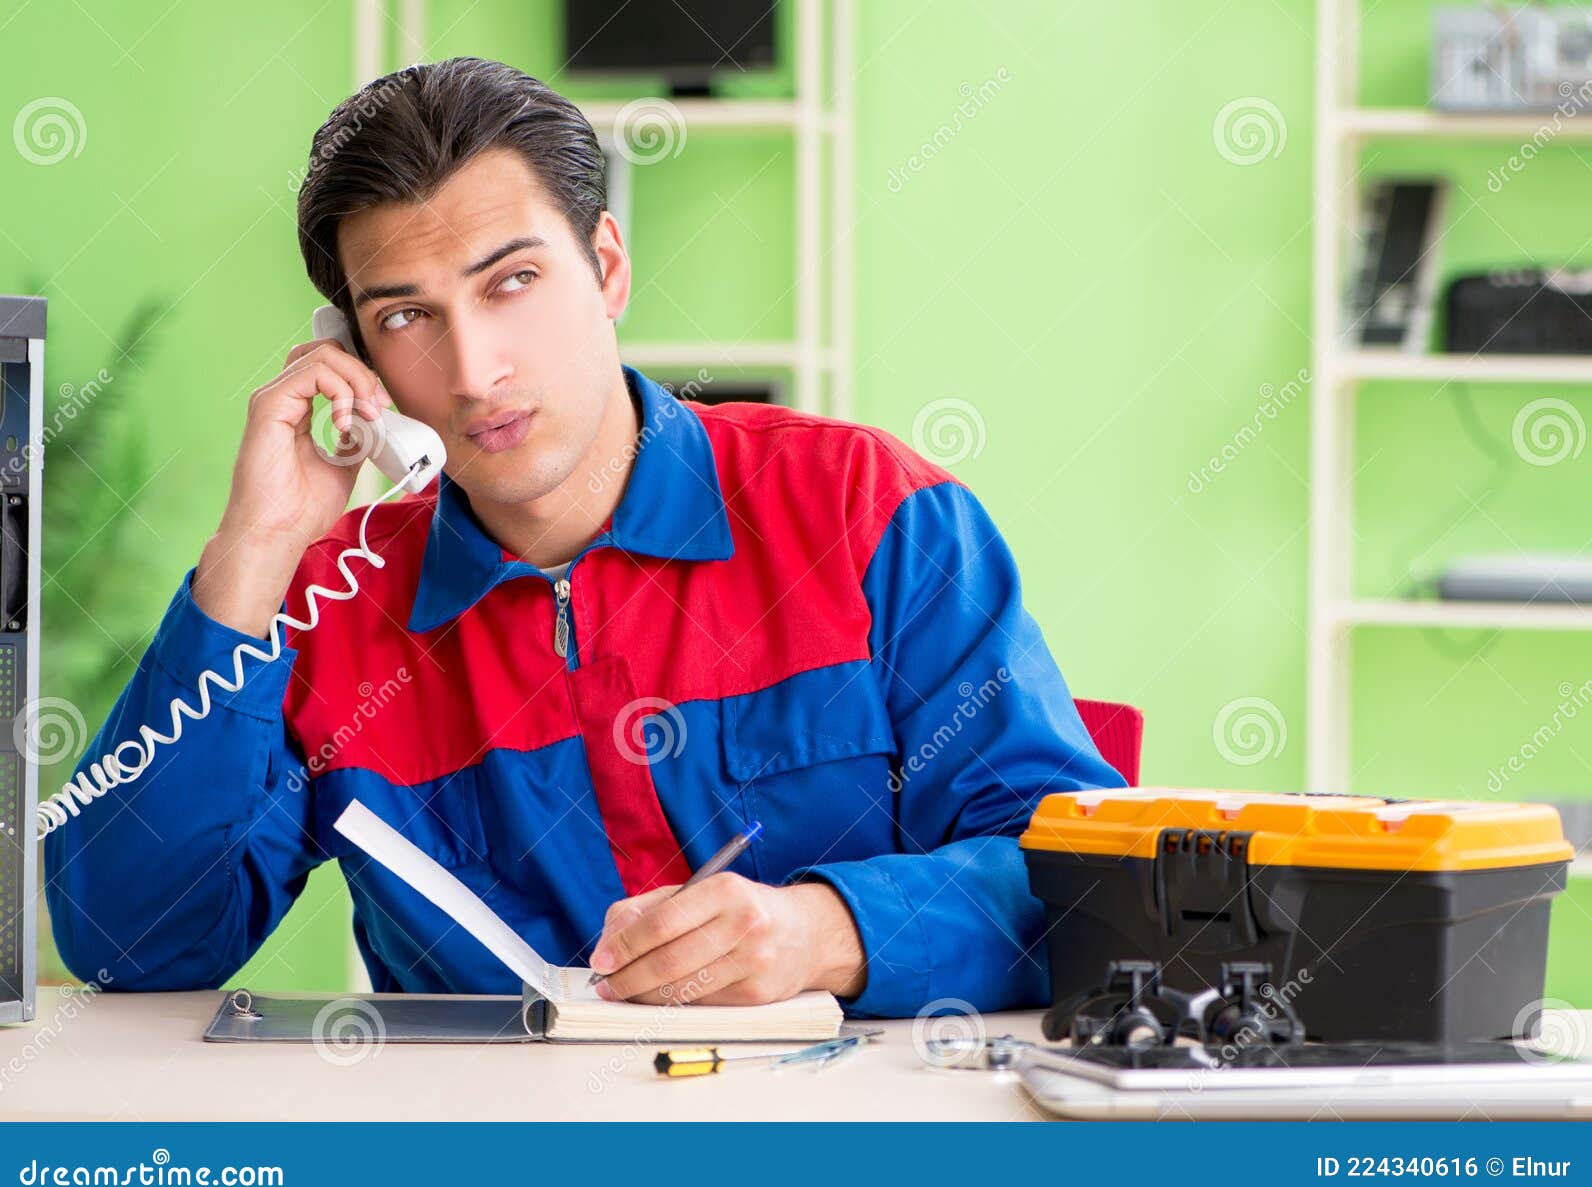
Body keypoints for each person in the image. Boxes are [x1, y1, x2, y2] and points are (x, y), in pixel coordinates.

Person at [45, 57, 1121, 1017]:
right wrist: (248, 557)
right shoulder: (328, 604)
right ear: (354, 357)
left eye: (511, 283)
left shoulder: (866, 510)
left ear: (606, 268)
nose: (474, 372)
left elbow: (1085, 886)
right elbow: (134, 949)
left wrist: (827, 934)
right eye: (406, 317)